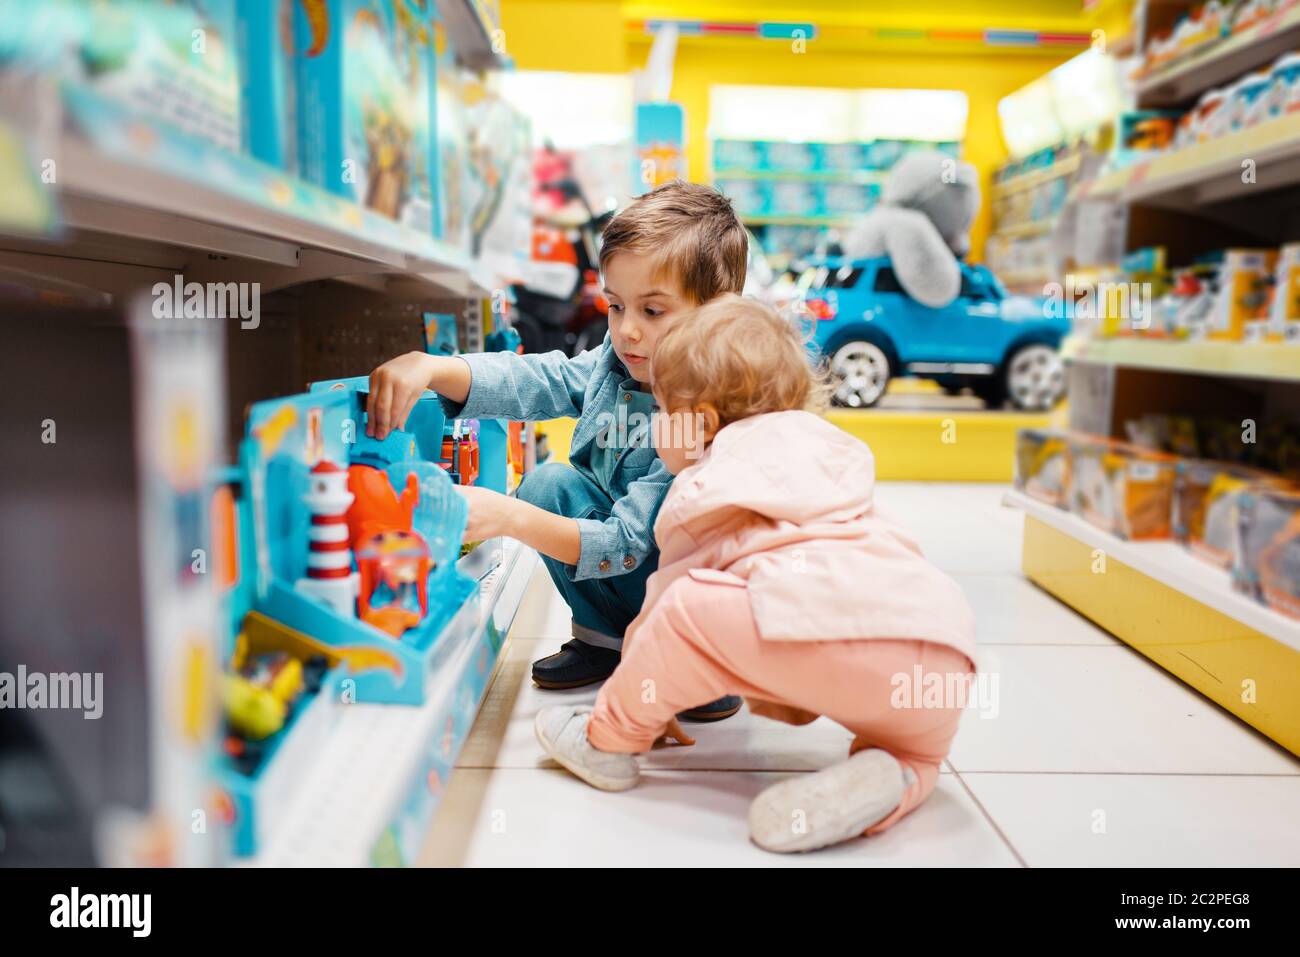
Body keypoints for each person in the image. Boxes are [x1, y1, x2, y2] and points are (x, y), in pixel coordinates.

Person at [534, 295, 978, 853]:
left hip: (831, 644)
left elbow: (668, 612)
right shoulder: (829, 448)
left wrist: (645, 696)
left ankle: (607, 745)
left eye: (664, 414)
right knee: (913, 750)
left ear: (702, 424)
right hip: (943, 653)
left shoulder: (705, 479)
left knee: (684, 605)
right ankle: (902, 772)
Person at [365, 181, 748, 720]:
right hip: (635, 564)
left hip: (688, 583)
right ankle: (604, 640)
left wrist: (510, 518)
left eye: (653, 312)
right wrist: (434, 367)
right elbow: (540, 378)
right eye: (615, 307)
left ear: (717, 314)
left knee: (545, 506)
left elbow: (630, 542)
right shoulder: (617, 364)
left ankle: (698, 664)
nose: (627, 331)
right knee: (548, 484)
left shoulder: (703, 416)